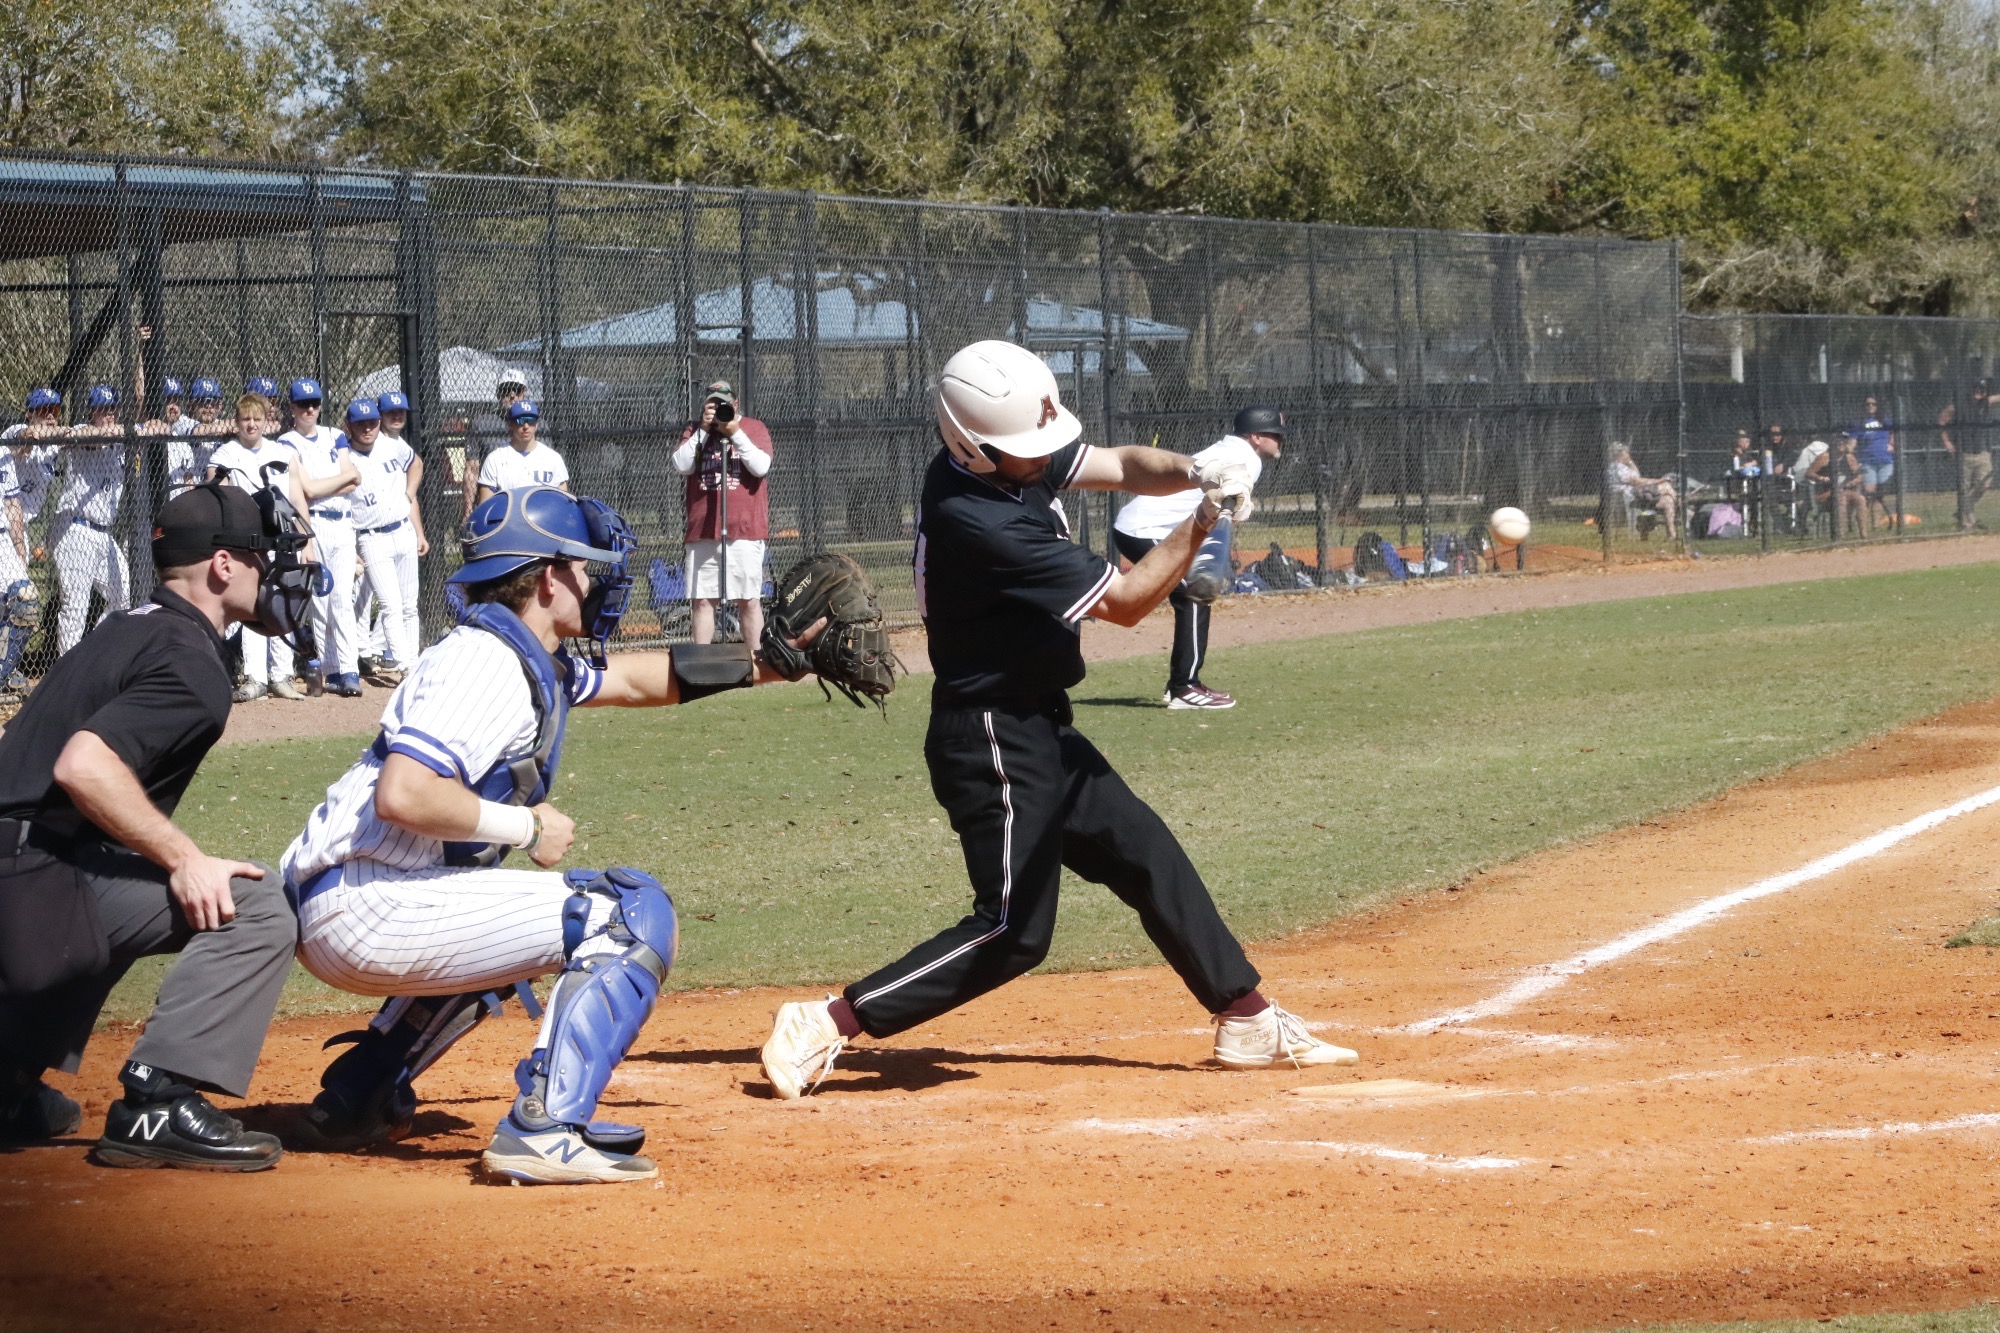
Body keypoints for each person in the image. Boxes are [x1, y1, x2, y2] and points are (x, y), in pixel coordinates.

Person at [758, 340, 1354, 1101]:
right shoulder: (981, 519)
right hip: (991, 736)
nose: (1044, 457)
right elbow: (1133, 601)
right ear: (971, 444)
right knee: (1014, 931)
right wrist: (1205, 514)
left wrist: (1196, 466)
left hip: (1038, 719)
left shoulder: (1011, 454)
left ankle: (1246, 1014)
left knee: (1145, 850)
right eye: (1027, 449)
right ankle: (830, 1019)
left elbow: (1120, 463)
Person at [281, 485, 822, 1184]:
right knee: (627, 915)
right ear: (545, 578)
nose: (592, 581)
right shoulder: (484, 664)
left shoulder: (519, 655)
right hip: (365, 904)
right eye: (580, 567)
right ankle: (545, 1126)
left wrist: (761, 665)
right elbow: (405, 791)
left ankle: (359, 1094)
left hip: (365, 897)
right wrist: (524, 823)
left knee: (506, 927)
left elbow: (632, 679)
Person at [0, 482, 318, 1169]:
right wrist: (183, 856)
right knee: (258, 902)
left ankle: (7, 1080)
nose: (276, 571)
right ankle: (159, 1102)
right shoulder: (190, 659)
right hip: (26, 884)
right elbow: (84, 767)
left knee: (117, 871)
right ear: (223, 565)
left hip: (25, 869)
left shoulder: (132, 622)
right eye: (264, 556)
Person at [1111, 405, 1284, 710]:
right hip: (1142, 529)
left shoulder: (1234, 450)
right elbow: (1221, 508)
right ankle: (1184, 687)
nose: (1279, 440)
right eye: (1274, 435)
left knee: (1194, 596)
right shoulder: (1245, 458)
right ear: (1256, 437)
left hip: (1148, 528)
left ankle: (1180, 684)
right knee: (1193, 596)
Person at [210, 393, 319, 702]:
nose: (252, 424)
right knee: (254, 607)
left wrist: (307, 542)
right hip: (248, 542)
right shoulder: (226, 453)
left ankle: (282, 676)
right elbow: (216, 492)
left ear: (266, 420)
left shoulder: (282, 452)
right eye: (246, 419)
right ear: (237, 422)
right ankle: (256, 678)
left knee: (283, 604)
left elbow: (297, 499)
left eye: (257, 418)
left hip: (283, 541)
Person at [277, 378, 363, 696]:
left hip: (343, 524)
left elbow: (355, 479)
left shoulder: (335, 435)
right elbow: (308, 490)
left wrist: (327, 483)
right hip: (315, 525)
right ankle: (331, 669)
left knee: (342, 598)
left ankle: (349, 670)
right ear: (293, 409)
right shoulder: (287, 443)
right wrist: (339, 479)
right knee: (322, 601)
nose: (310, 409)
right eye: (303, 404)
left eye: (314, 403)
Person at [672, 380, 772, 646]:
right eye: (712, 403)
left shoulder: (754, 428)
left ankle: (755, 661)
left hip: (744, 530)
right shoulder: (694, 431)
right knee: (703, 599)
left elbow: (761, 466)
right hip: (703, 529)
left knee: (749, 600)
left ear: (735, 404)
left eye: (723, 404)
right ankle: (702, 663)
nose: (718, 409)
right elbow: (681, 465)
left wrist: (735, 432)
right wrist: (704, 430)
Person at [344, 399, 427, 687]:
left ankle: (412, 662)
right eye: (360, 423)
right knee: (390, 605)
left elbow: (416, 464)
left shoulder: (391, 444)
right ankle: (405, 666)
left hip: (402, 530)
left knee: (409, 606)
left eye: (371, 422)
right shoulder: (344, 456)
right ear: (349, 426)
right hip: (371, 538)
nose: (367, 428)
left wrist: (408, 494)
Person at [52, 385, 131, 655]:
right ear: (91, 412)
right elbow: (87, 437)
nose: (108, 415)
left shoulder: (121, 439)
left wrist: (140, 352)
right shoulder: (84, 432)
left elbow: (141, 400)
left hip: (103, 534)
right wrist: (114, 431)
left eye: (112, 409)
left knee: (122, 598)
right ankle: (67, 674)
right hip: (75, 528)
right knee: (75, 605)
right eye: (102, 409)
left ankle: (92, 657)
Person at [463, 368, 530, 520]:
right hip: (494, 504)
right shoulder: (482, 423)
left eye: (517, 390)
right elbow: (472, 470)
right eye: (506, 390)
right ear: (498, 394)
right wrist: (468, 512)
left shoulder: (535, 425)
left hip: (528, 502)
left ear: (524, 392)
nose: (512, 395)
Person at [474, 399, 567, 504]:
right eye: (520, 421)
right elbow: (486, 506)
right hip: (509, 518)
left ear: (536, 424)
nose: (526, 426)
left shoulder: (553, 458)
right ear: (511, 424)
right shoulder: (495, 459)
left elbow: (563, 504)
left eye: (530, 420)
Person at [1939, 383, 1992, 531]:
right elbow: (1942, 420)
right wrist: (1947, 441)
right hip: (1965, 453)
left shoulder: (1985, 403)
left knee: (1984, 485)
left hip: (1982, 453)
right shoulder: (1958, 406)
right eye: (1976, 390)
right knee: (1964, 488)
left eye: (1982, 390)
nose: (1979, 393)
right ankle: (1967, 522)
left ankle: (1963, 510)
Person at [1606, 442, 1679, 539]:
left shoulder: (1618, 467)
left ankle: (1672, 533)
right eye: (1626, 453)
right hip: (1633, 497)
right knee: (1666, 486)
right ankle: (1679, 507)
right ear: (1620, 455)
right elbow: (1638, 481)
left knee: (1668, 500)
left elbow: (1637, 476)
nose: (1628, 455)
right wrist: (1660, 480)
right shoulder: (1618, 468)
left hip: (1637, 495)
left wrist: (1630, 462)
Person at [1808, 434, 1870, 537]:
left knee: (1861, 499)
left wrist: (1853, 482)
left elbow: (1859, 475)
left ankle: (1864, 534)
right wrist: (1821, 478)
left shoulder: (1849, 458)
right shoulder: (1824, 457)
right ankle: (1840, 534)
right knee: (1841, 498)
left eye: (1843, 442)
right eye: (1838, 443)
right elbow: (1809, 473)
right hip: (1825, 493)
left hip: (1844, 490)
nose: (1841, 444)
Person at [1853, 395, 1897, 526]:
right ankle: (1862, 521)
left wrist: (1892, 444)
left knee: (1879, 495)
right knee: (1869, 492)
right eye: (1868, 404)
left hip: (1885, 461)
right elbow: (1853, 440)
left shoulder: (1885, 420)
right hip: (1867, 462)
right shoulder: (1860, 423)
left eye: (1874, 404)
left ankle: (1876, 523)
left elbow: (1893, 432)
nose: (1871, 406)